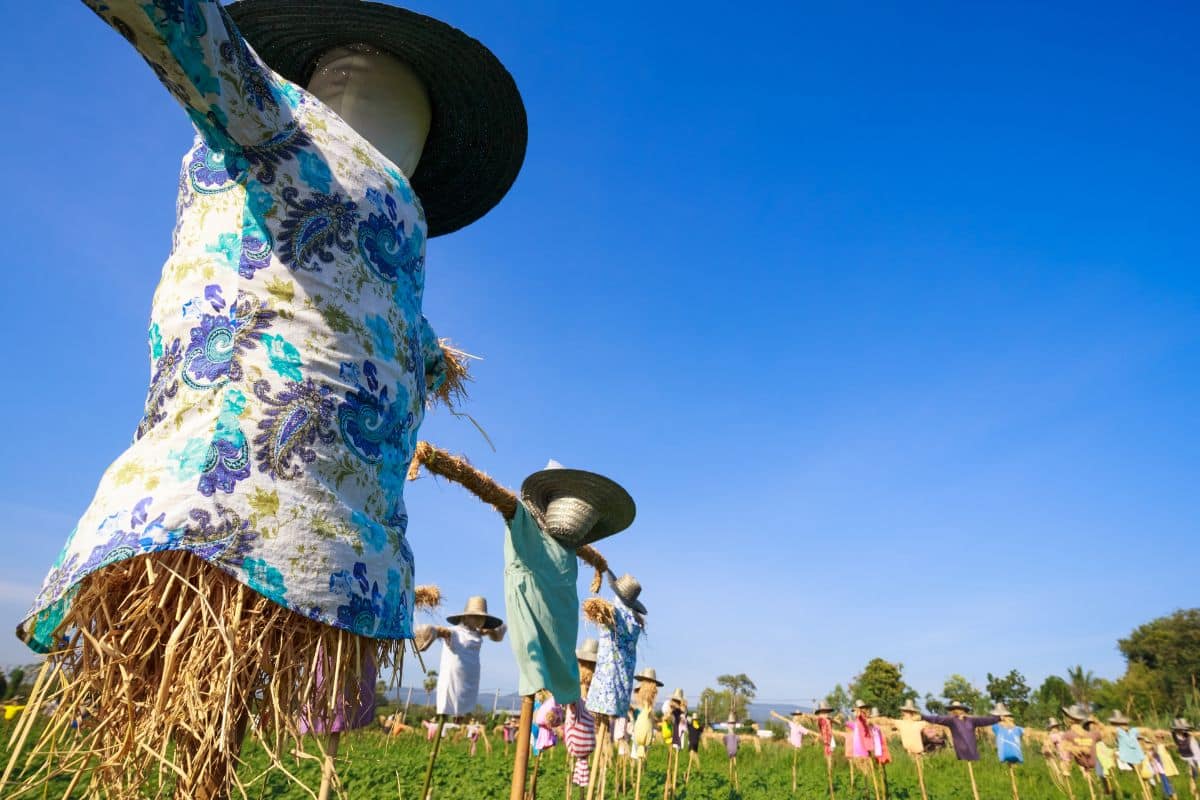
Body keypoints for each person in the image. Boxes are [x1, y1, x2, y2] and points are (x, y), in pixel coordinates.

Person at [9, 1, 528, 795]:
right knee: (198, 736)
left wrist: (430, 359)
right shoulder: (281, 131)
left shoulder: (398, 244)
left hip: (285, 541)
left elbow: (417, 350)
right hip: (244, 531)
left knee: (206, 741)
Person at [724, 716, 741, 791]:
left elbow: (738, 741)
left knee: (734, 767)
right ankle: (732, 782)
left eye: (733, 723)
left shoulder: (734, 735)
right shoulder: (728, 736)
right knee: (732, 766)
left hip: (733, 750)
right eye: (731, 723)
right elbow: (725, 741)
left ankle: (735, 783)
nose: (732, 725)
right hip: (731, 750)